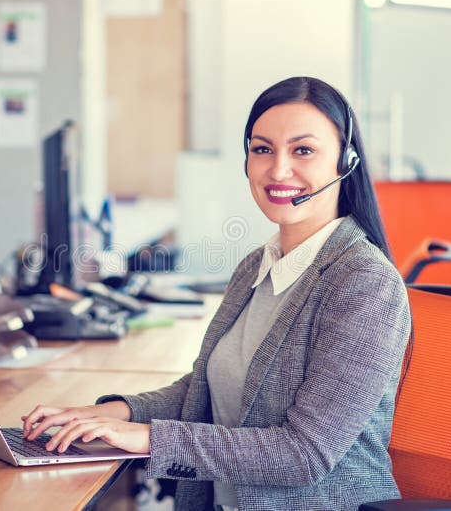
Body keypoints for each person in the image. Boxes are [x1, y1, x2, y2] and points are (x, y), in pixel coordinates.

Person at [22, 76, 412, 511]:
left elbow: (305, 454)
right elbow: (207, 390)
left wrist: (148, 439)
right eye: (262, 149)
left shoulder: (364, 283)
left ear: (346, 161)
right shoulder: (256, 266)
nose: (278, 169)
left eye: (303, 150)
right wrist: (112, 414)